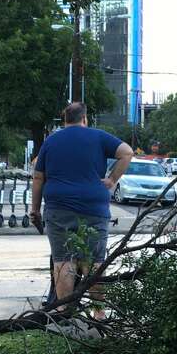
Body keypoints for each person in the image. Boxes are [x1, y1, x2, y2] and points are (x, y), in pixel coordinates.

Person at [29, 102, 133, 306]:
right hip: (93, 208)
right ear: (84, 118)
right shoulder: (99, 137)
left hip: (58, 209)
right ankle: (99, 312)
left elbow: (38, 177)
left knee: (63, 260)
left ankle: (64, 310)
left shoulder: (52, 141)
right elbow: (127, 152)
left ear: (65, 119)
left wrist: (35, 210)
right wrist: (112, 179)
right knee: (94, 262)